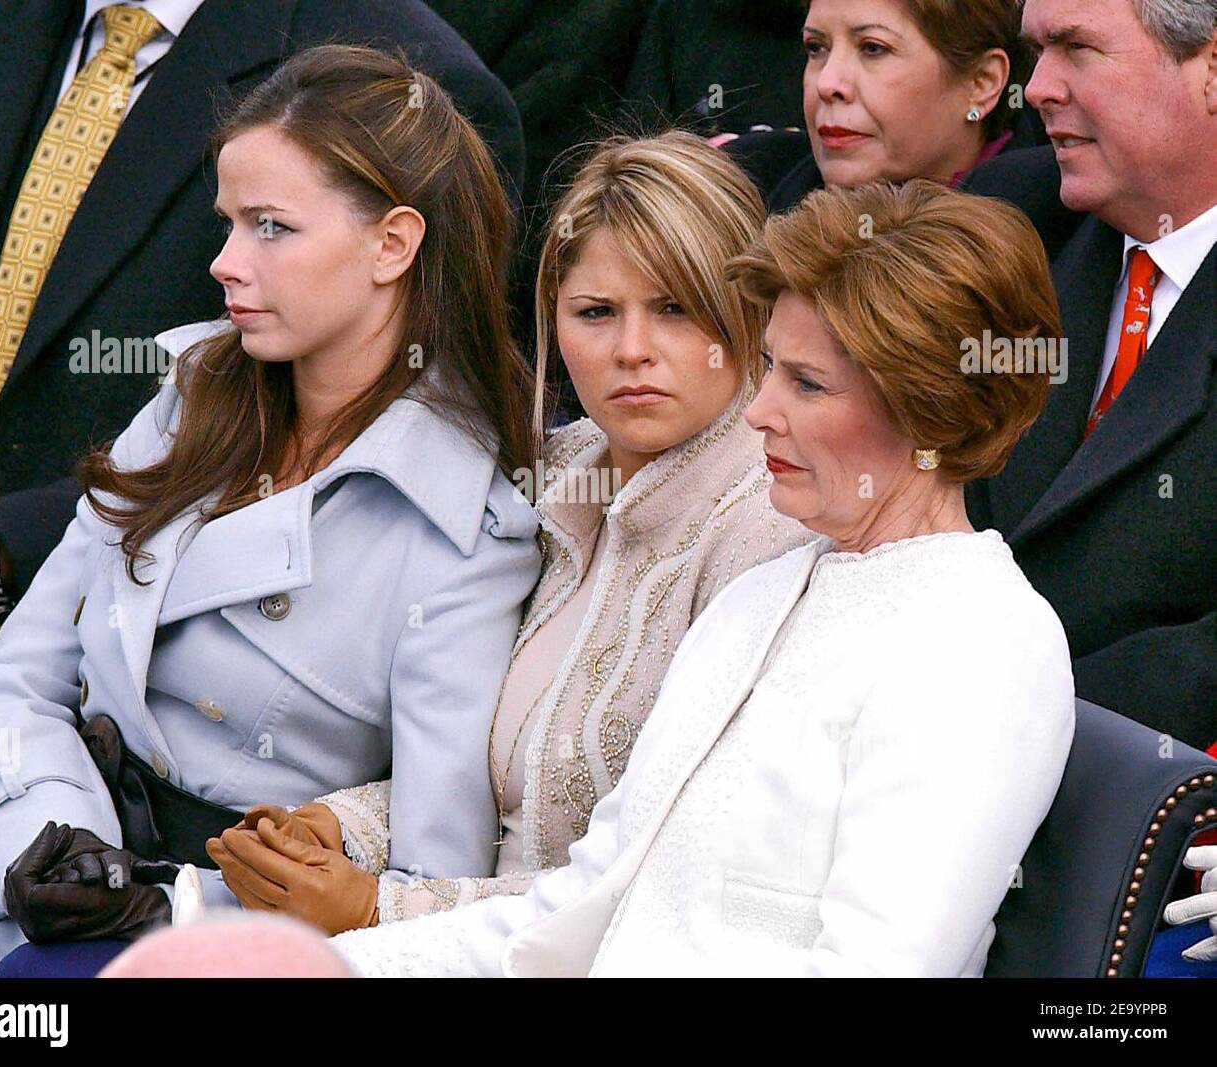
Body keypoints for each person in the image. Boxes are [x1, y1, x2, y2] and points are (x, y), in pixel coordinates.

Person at [295, 180, 1074, 977]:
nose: (760, 409)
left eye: (807, 383)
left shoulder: (984, 640)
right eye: (769, 366)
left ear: (929, 409)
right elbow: (581, 910)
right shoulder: (761, 597)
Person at [0, 45, 540, 979]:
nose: (224, 262)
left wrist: (141, 911)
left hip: (208, 940)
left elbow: (426, 881)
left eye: (271, 228)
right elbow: (17, 678)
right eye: (228, 223)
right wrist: (60, 855)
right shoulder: (191, 392)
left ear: (393, 244)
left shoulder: (463, 528)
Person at [203, 131, 816, 933]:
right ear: (553, 319)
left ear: (748, 310)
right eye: (596, 312)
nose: (632, 351)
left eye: (675, 308)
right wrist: (335, 828)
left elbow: (660, 870)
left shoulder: (773, 524)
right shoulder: (554, 473)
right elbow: (496, 778)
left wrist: (377, 907)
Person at [962, 0, 1217, 977]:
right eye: (1034, 51)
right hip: (940, 792)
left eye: (1076, 50)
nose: (1037, 90)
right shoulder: (1012, 224)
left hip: (1150, 838)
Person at [723, 0, 1040, 215]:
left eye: (873, 48)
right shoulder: (742, 188)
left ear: (981, 82)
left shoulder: (1060, 222)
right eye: (816, 48)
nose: (827, 83)